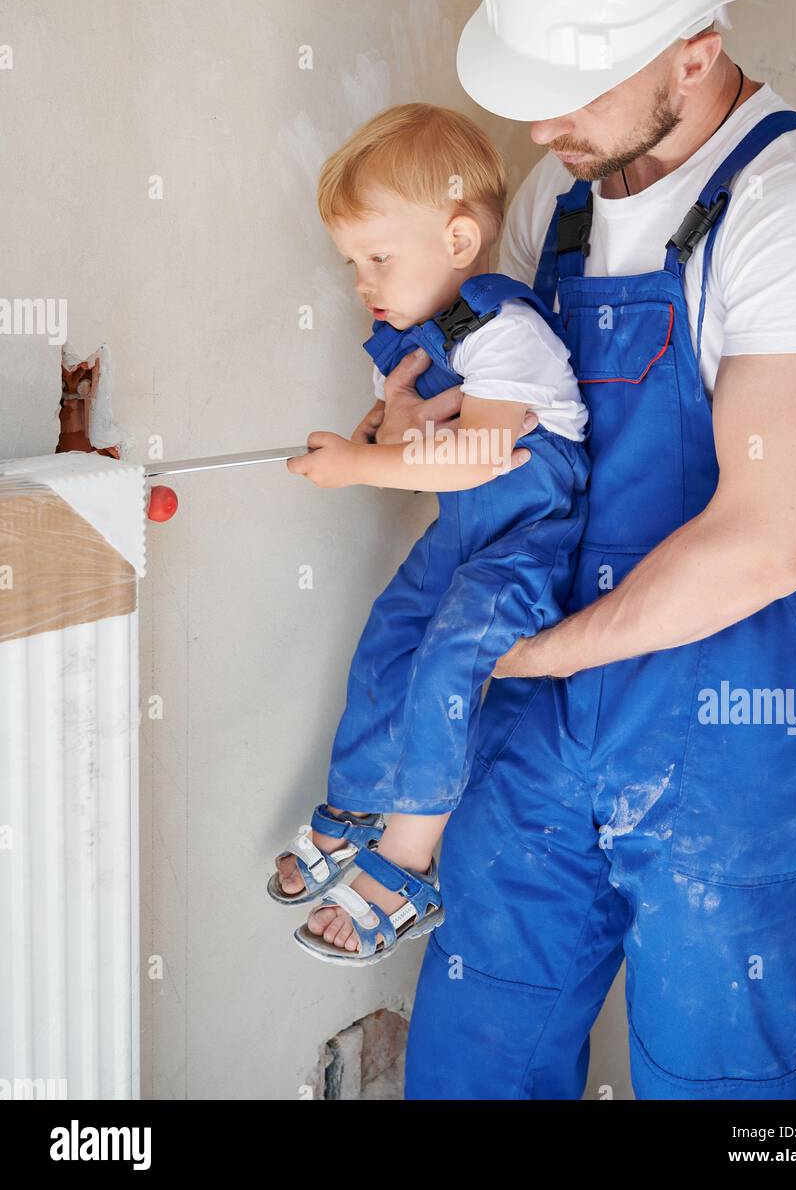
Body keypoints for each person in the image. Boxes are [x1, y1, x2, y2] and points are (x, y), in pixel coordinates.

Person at [365, 0, 796, 1095]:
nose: (541, 121)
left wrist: (522, 653)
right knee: (475, 1058)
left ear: (696, 52)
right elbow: (524, 437)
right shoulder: (564, 211)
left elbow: (760, 545)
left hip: (739, 728)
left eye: (578, 86)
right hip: (546, 724)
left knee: (714, 1083)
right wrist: (417, 427)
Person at [268, 102, 589, 964]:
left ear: (456, 241)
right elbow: (408, 442)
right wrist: (384, 431)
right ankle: (360, 797)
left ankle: (410, 861)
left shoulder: (507, 332)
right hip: (464, 532)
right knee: (391, 633)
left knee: (450, 653)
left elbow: (480, 456)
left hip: (527, 539)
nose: (363, 282)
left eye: (377, 256)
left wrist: (363, 466)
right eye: (351, 263)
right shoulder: (422, 337)